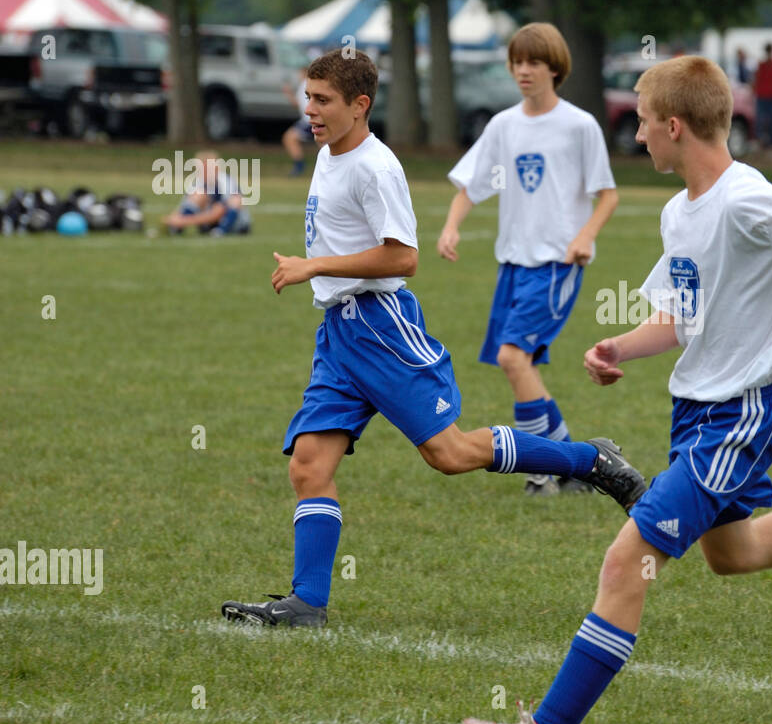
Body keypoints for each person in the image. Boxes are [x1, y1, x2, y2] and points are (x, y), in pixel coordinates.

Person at [461, 55, 772, 724]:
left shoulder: (748, 200)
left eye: (645, 124)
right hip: (695, 414)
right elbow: (681, 320)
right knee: (734, 552)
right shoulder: (678, 213)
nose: (638, 137)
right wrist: (620, 348)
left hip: (740, 415)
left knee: (627, 560)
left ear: (676, 126)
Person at [220, 49, 646, 629]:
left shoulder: (377, 167)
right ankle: (307, 605)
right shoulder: (328, 154)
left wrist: (315, 266)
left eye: (322, 101)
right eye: (309, 97)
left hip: (381, 328)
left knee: (448, 453)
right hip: (340, 336)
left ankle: (589, 460)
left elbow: (404, 257)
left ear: (359, 106)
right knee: (308, 465)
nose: (309, 110)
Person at [439, 23, 619, 496]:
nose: (523, 70)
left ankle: (542, 472)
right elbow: (472, 185)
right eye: (517, 61)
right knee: (519, 364)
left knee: (512, 357)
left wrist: (585, 237)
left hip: (558, 264)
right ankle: (585, 466)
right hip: (513, 265)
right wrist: (451, 224)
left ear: (555, 68)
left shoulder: (579, 125)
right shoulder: (503, 125)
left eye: (533, 62)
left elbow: (607, 195)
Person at [161, 150, 250, 236]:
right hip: (208, 223)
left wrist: (183, 221)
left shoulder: (226, 182)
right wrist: (172, 219)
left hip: (235, 225)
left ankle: (222, 231)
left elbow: (218, 213)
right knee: (198, 195)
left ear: (216, 169)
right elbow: (183, 208)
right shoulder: (197, 183)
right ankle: (176, 229)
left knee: (236, 200)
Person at [282, 68, 313, 177]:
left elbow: (304, 106)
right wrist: (289, 93)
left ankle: (299, 166)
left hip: (310, 121)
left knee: (289, 137)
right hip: (307, 121)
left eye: (300, 73)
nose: (298, 75)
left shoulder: (306, 84)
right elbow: (298, 104)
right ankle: (300, 166)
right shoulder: (305, 85)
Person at [753, 42, 772, 150]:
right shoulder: (764, 65)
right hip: (764, 96)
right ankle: (764, 142)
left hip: (771, 96)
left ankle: (770, 142)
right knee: (762, 121)